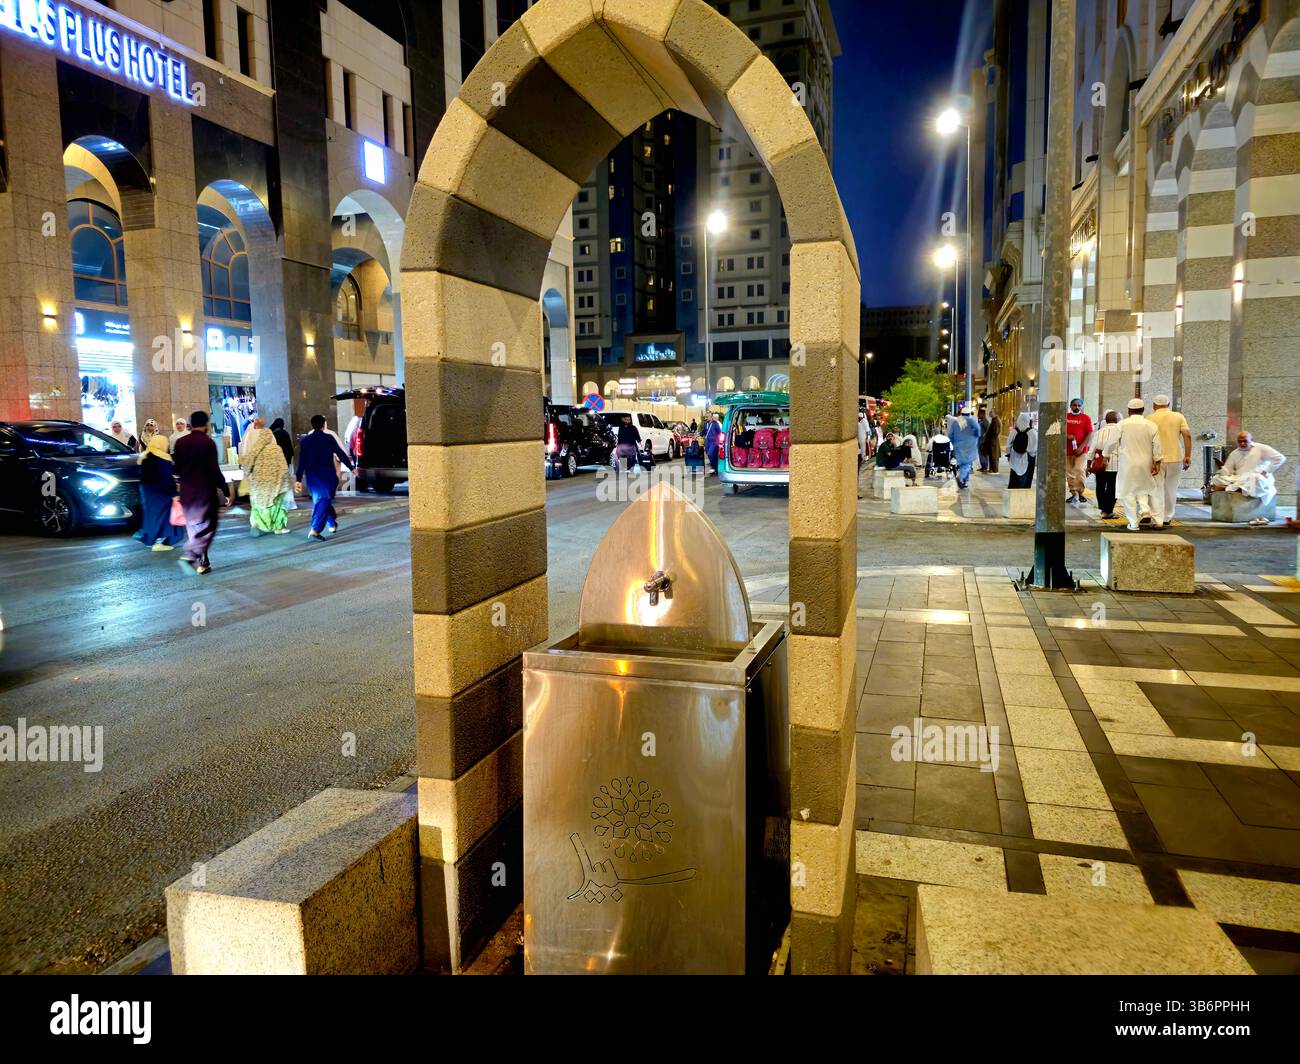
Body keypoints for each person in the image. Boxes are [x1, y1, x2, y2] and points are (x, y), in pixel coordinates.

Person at [172, 409, 225, 574]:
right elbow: (214, 469)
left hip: (187, 492)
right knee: (209, 525)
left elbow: (177, 469)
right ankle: (192, 553)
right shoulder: (208, 443)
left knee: (194, 527)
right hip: (205, 491)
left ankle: (203, 562)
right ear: (206, 424)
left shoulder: (180, 443)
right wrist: (225, 488)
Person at [295, 414, 355, 540]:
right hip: (327, 475)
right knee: (323, 500)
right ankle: (315, 530)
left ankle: (331, 522)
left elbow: (301, 462)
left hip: (312, 477)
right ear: (323, 425)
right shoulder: (328, 438)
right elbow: (341, 453)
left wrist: (298, 479)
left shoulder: (305, 441)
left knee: (322, 500)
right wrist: (351, 468)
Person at [1111, 397, 1163, 531]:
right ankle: (1145, 509)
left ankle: (1133, 523)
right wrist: (1157, 461)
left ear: (1129, 411)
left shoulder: (1122, 424)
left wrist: (1105, 454)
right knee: (1143, 486)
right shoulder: (1151, 425)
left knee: (1128, 491)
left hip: (1127, 463)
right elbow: (1157, 446)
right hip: (1145, 462)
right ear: (1143, 410)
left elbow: (1112, 442)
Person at [1212, 431, 1287, 525]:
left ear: (1251, 440)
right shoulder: (1235, 453)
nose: (1242, 444)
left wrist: (1266, 471)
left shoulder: (1261, 448)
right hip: (1240, 479)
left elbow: (1280, 458)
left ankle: (1230, 488)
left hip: (1258, 479)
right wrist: (1222, 474)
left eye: (1245, 441)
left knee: (1256, 479)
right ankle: (1233, 487)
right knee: (1216, 478)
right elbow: (1228, 469)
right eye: (1240, 441)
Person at [240, 418, 291, 535]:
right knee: (276, 503)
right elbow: (283, 467)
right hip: (275, 483)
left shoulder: (253, 446)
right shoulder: (276, 449)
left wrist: (247, 473)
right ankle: (278, 527)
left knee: (258, 503)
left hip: (258, 482)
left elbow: (247, 462)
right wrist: (286, 482)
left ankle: (256, 524)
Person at [1147, 395, 1192, 526]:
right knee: (1171, 488)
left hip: (1157, 458)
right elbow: (1187, 435)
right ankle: (1167, 516)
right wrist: (1188, 455)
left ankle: (1156, 516)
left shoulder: (1149, 418)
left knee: (1156, 487)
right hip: (1175, 457)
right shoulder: (1178, 416)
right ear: (1169, 404)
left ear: (1154, 405)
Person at [135, 432, 184, 551]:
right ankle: (160, 542)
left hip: (147, 492)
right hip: (162, 493)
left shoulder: (143, 456)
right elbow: (166, 478)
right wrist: (174, 494)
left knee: (152, 516)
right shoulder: (164, 457)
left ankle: (150, 539)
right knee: (164, 517)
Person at [1090, 410, 1123, 520]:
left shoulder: (1099, 432)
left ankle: (1103, 509)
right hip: (1115, 463)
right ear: (1118, 420)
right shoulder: (1120, 430)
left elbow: (1092, 448)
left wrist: (1089, 463)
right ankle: (1108, 511)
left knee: (1100, 486)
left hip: (1099, 463)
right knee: (1112, 487)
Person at [945, 403, 982, 489]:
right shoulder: (972, 420)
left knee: (962, 464)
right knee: (968, 464)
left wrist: (954, 443)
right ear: (969, 414)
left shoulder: (956, 421)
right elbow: (977, 431)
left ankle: (964, 481)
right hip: (970, 446)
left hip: (959, 446)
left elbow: (950, 435)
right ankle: (962, 477)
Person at [1065, 398, 1094, 503]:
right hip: (1067, 450)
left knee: (1079, 470)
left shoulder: (1086, 418)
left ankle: (1080, 492)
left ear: (1082, 407)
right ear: (1070, 406)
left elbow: (1090, 433)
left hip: (1081, 451)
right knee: (1069, 472)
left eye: (1078, 405)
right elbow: (1059, 430)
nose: (1076, 407)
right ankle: (1074, 493)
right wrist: (1067, 436)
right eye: (1074, 405)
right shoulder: (1065, 417)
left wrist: (1081, 447)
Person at [1005, 412, 1037, 489]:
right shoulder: (1032, 432)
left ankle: (1013, 492)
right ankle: (1024, 493)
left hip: (1015, 457)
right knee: (1026, 478)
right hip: (1028, 459)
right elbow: (1034, 447)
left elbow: (1008, 444)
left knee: (1014, 477)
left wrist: (1009, 454)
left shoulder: (1014, 431)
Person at [982, 408, 1002, 473]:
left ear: (995, 413)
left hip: (993, 442)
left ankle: (994, 470)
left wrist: (987, 435)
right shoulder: (994, 420)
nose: (990, 413)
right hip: (992, 442)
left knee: (994, 456)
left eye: (991, 412)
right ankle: (992, 469)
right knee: (991, 456)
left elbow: (995, 432)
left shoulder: (996, 421)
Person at [977, 406, 990, 472]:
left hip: (983, 441)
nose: (978, 415)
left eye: (979, 414)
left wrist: (985, 439)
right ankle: (983, 466)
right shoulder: (981, 421)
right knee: (980, 454)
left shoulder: (985, 422)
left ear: (983, 414)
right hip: (980, 440)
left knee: (983, 454)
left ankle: (985, 467)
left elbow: (988, 431)